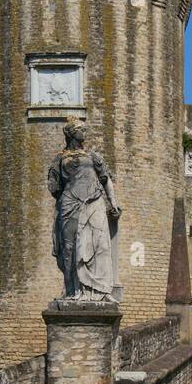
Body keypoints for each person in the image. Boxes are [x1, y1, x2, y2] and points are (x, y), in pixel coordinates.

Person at [47, 120, 120, 301]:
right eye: (80, 129)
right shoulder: (60, 158)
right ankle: (73, 290)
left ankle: (101, 291)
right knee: (69, 247)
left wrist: (113, 202)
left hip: (94, 202)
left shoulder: (93, 156)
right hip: (69, 205)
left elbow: (106, 180)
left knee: (100, 245)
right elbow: (54, 187)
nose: (84, 132)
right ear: (71, 134)